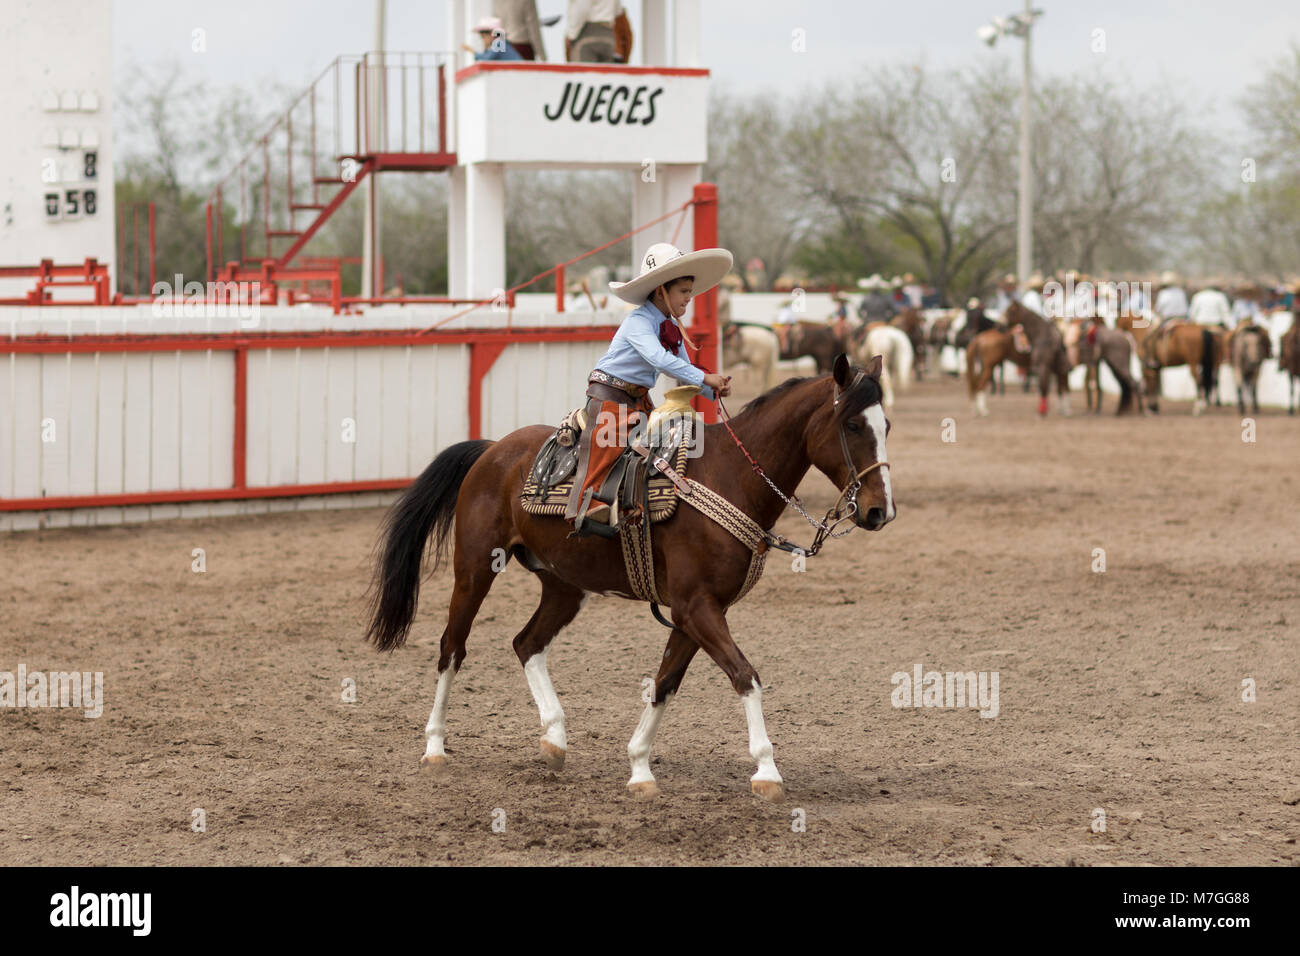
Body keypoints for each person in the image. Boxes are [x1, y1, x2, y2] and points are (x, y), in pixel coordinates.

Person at [564, 242, 733, 527]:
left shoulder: (669, 327)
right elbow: (660, 360)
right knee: (611, 442)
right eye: (683, 292)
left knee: (669, 445)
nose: (688, 298)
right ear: (660, 290)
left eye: (689, 292)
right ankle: (587, 504)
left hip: (638, 400)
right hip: (611, 397)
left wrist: (711, 389)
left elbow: (684, 370)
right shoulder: (638, 322)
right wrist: (706, 378)